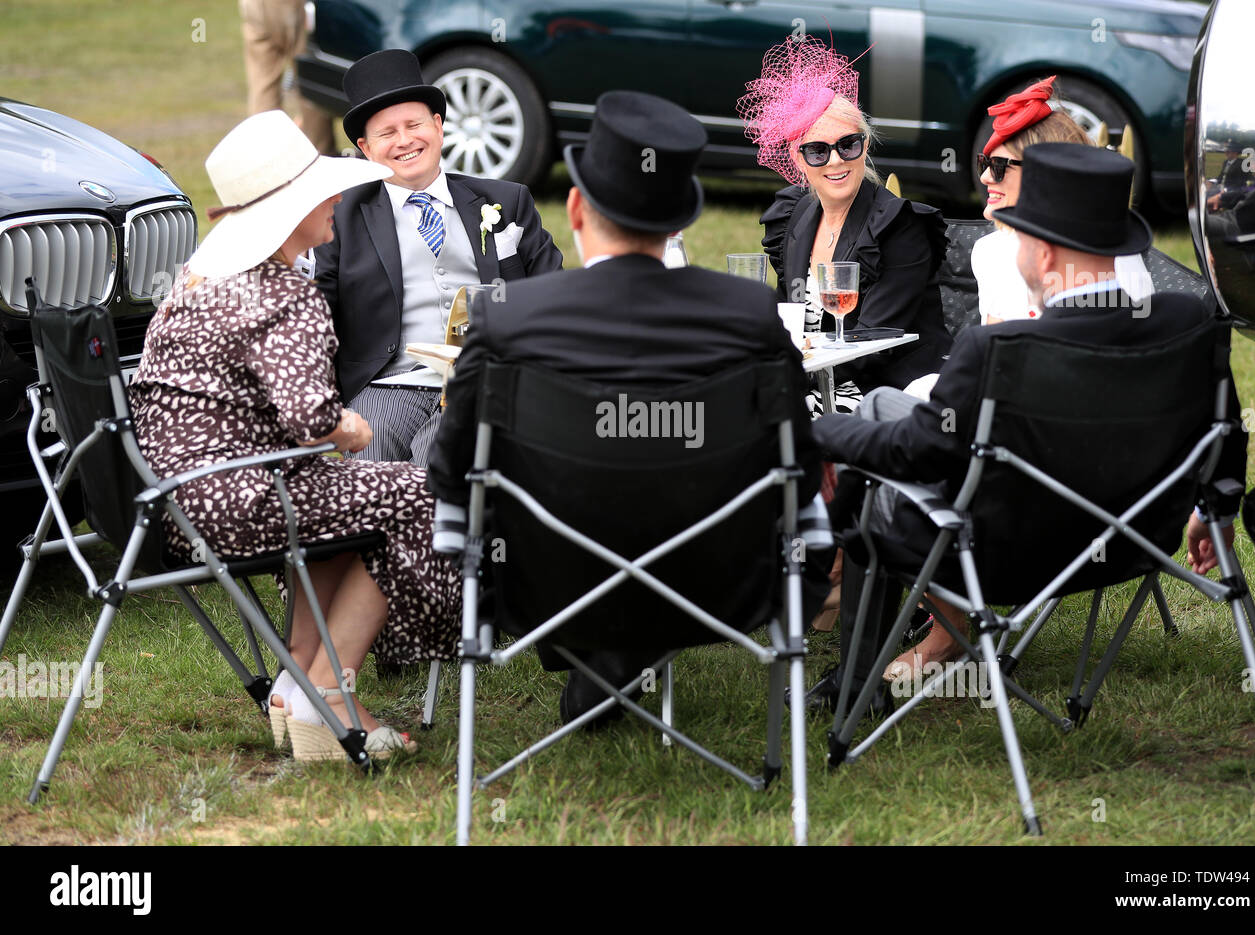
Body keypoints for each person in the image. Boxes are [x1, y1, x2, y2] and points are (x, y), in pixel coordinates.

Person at [428, 90, 832, 727]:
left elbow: (451, 471)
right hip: (719, 582)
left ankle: (604, 666)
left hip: (543, 583)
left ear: (578, 208)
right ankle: (617, 666)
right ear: (678, 224)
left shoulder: (507, 320)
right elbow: (798, 469)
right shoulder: (751, 316)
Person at [812, 143, 1246, 697]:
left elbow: (915, 452)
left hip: (1000, 557)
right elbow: (1224, 428)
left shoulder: (997, 347)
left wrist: (821, 433)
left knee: (870, 483)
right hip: (1134, 540)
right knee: (878, 408)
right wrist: (1218, 507)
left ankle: (855, 683)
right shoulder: (1191, 325)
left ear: (1041, 254)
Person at [129, 111, 463, 761]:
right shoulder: (283, 291)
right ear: (290, 208)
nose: (337, 198)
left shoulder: (198, 278)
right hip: (239, 500)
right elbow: (313, 417)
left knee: (342, 493)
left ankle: (299, 683)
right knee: (421, 492)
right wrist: (354, 425)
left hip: (172, 496)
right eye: (322, 191)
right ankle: (330, 691)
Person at [313, 49, 563, 469]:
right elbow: (315, 316)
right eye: (387, 133)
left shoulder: (506, 201)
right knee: (371, 475)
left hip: (479, 383)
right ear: (366, 148)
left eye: (414, 125)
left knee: (444, 465)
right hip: (384, 385)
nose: (405, 141)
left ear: (439, 126)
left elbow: (553, 296)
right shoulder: (340, 217)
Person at [740, 37, 952, 393]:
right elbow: (787, 318)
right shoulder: (793, 215)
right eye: (818, 151)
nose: (836, 160)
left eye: (848, 144)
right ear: (797, 159)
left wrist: (789, 378)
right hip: (811, 379)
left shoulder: (898, 225)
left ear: (865, 146)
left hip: (884, 388)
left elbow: (872, 344)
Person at [973, 75, 1152, 326]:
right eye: (985, 162)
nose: (984, 177)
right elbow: (992, 351)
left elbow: (1129, 339)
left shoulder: (1109, 252)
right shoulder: (988, 251)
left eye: (999, 166)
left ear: (1047, 173)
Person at [239, 0, 334, 153]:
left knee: (262, 87)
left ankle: (264, 160)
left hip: (253, 5)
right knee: (310, 81)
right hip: (294, 6)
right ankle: (319, 158)